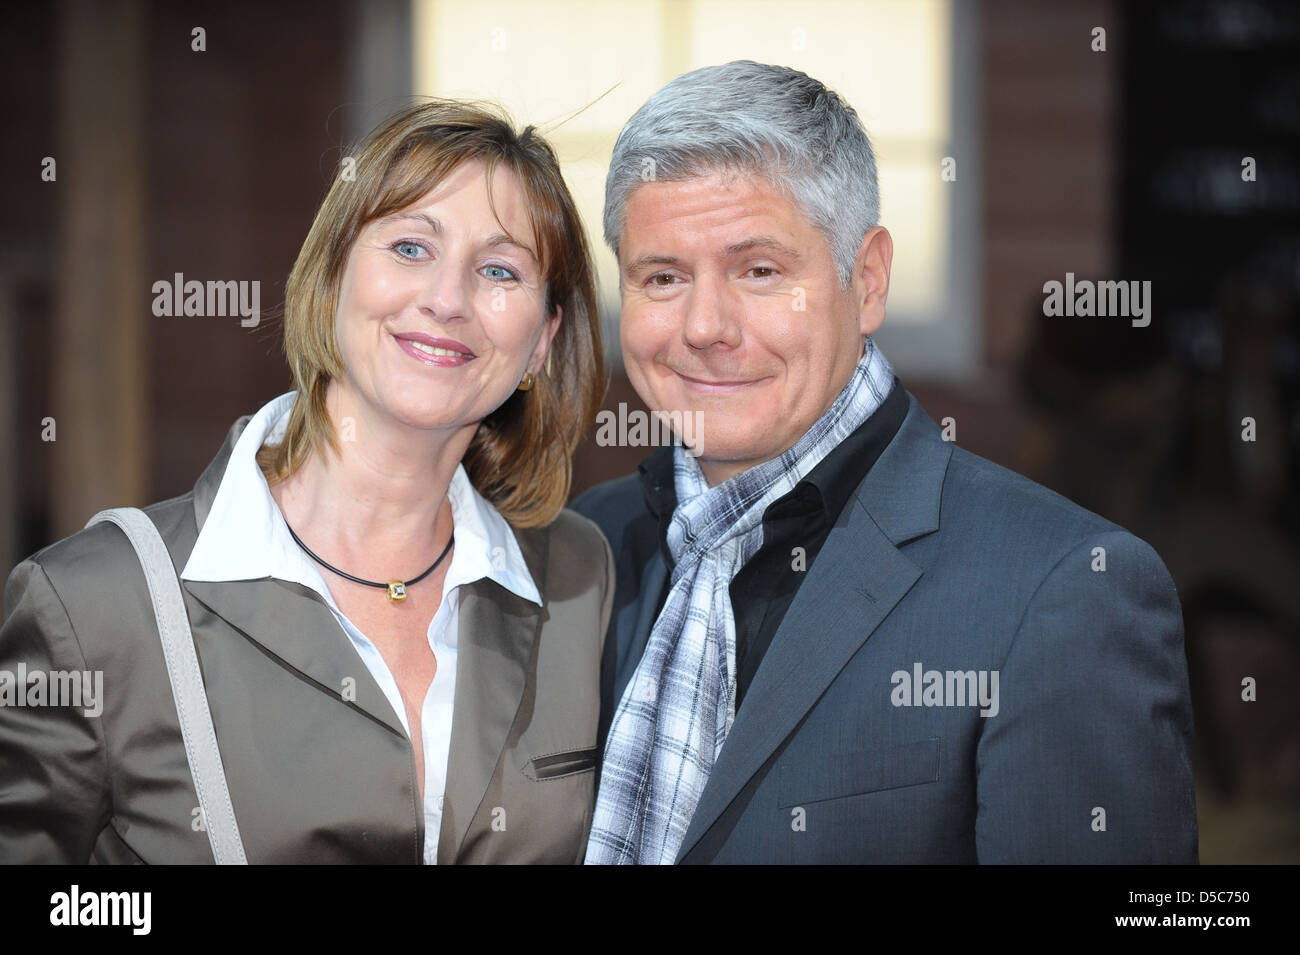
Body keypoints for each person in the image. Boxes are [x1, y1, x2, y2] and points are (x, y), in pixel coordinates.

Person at [574, 61, 1198, 864]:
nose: (703, 326)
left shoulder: (1066, 590)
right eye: (662, 277)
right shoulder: (590, 547)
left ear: (867, 281)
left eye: (759, 270)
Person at [0, 100, 612, 864]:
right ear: (332, 277)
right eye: (412, 248)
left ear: (542, 343)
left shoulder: (579, 580)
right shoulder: (93, 607)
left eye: (499, 270)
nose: (448, 299)